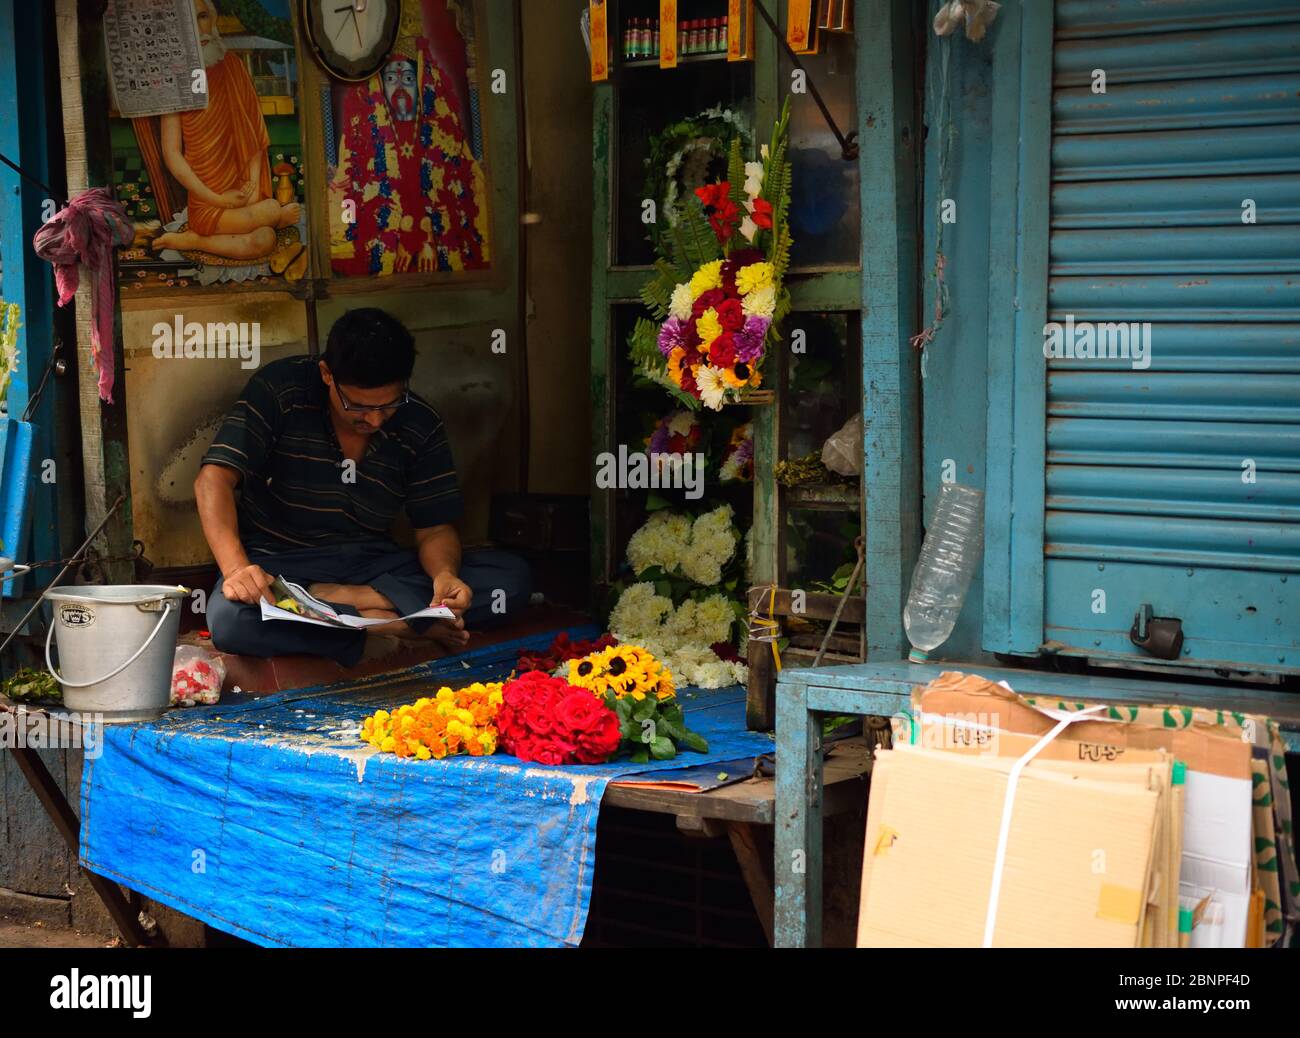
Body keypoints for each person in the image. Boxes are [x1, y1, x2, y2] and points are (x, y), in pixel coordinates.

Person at [195, 308, 530, 666]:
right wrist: (236, 571)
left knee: (509, 580)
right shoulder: (281, 391)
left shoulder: (420, 422)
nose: (372, 419)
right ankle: (392, 624)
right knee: (231, 621)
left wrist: (444, 575)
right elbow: (213, 479)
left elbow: (433, 527)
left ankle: (341, 603)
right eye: (357, 406)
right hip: (283, 564)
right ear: (327, 374)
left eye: (387, 407)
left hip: (374, 564)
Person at [151, 0, 300, 261]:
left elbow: (253, 134)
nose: (198, 29)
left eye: (203, 17)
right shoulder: (173, 80)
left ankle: (198, 242)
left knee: (265, 240)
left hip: (243, 193)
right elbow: (172, 155)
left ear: (214, 18)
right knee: (273, 210)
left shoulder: (232, 66)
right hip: (208, 202)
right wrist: (218, 199)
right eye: (187, 22)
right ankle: (200, 236)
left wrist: (252, 186)